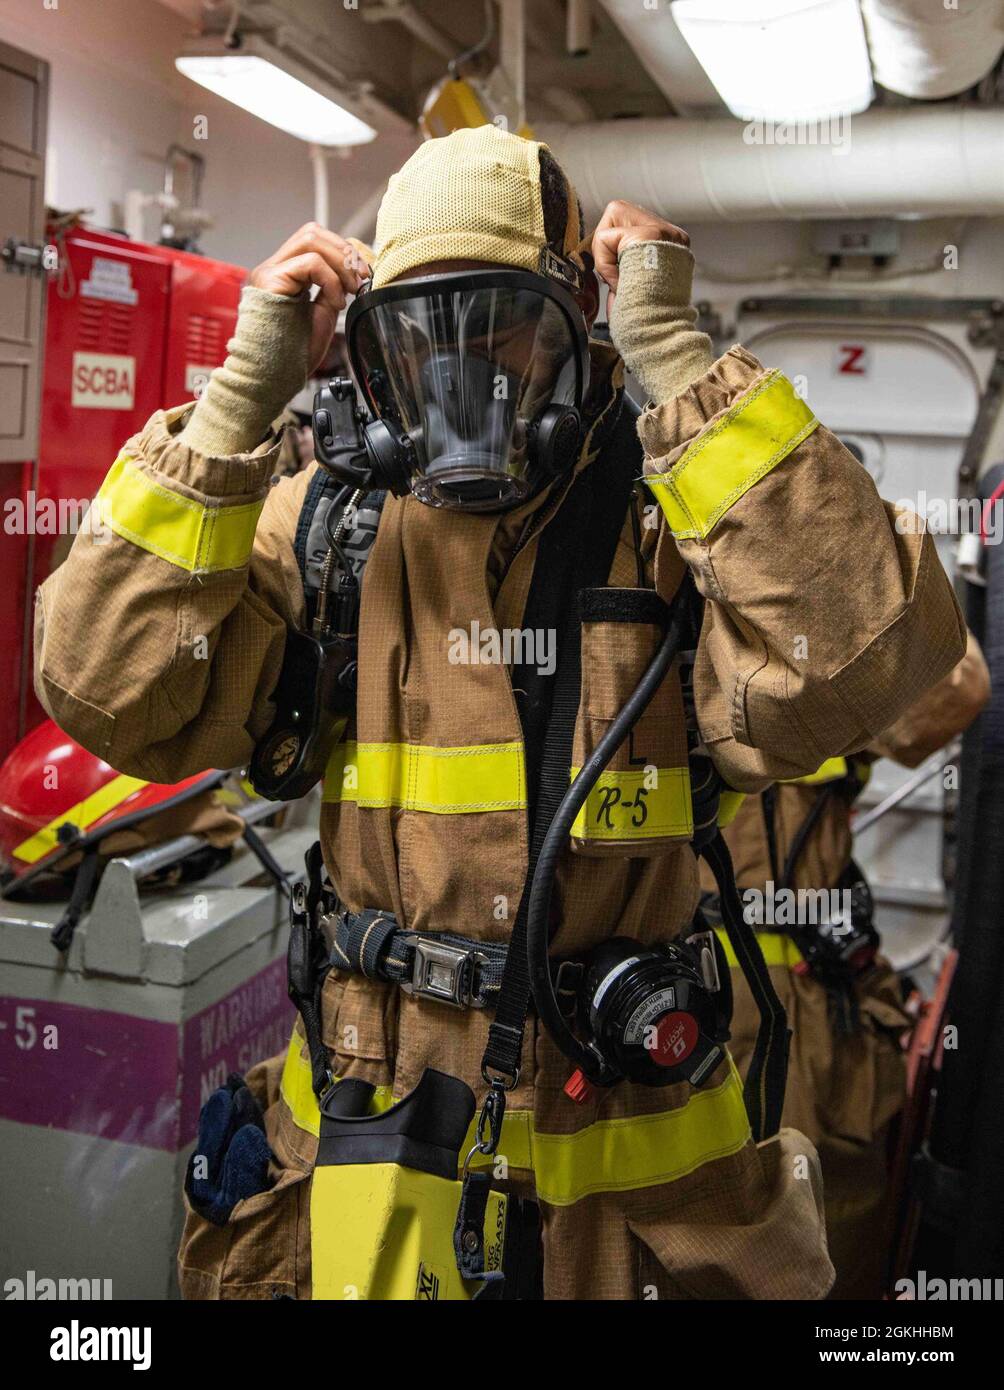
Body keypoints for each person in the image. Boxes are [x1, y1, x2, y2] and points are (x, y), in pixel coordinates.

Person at [34, 126, 967, 1300]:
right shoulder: (330, 525)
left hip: (630, 1198)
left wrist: (680, 362)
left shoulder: (664, 520)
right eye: (418, 334)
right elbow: (104, 690)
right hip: (363, 1152)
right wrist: (234, 408)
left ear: (577, 324)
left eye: (503, 324)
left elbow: (870, 652)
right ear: (367, 356)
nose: (461, 372)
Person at [709, 635, 989, 1299]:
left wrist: (833, 575)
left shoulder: (812, 624)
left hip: (815, 1021)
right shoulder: (636, 608)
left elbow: (955, 693)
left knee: (834, 1251)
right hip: (693, 1018)